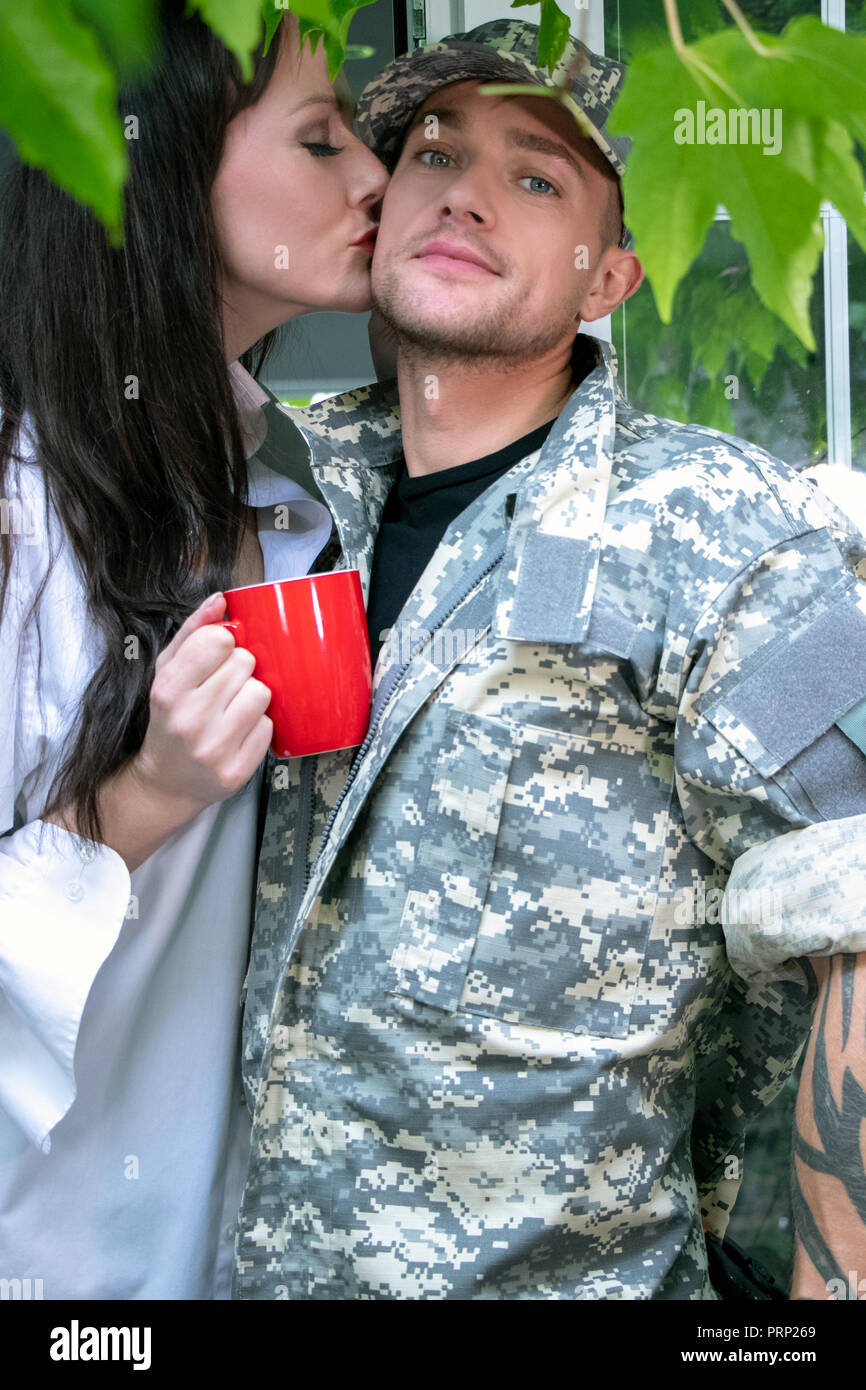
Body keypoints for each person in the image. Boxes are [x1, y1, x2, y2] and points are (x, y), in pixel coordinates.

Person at [234, 19, 866, 1300]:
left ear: (605, 282)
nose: (463, 190)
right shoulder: (266, 497)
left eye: (536, 178)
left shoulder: (728, 534)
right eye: (431, 153)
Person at [0, 3, 387, 1298]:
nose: (376, 180)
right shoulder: (20, 525)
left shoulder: (286, 517)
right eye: (322, 140)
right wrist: (140, 798)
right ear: (156, 158)